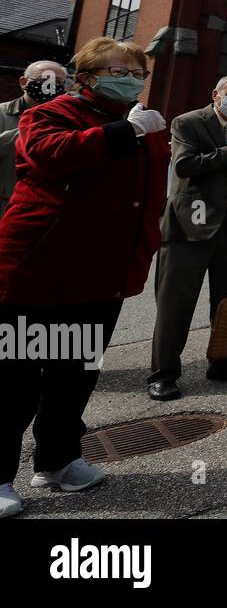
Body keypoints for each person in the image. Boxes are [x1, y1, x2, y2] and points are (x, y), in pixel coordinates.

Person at [0, 38, 169, 517]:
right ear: (88, 76)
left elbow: (149, 196)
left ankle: (57, 461)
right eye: (120, 70)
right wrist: (122, 134)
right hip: (40, 270)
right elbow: (49, 155)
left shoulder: (146, 124)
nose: (132, 80)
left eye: (138, 72)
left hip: (102, 276)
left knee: (74, 375)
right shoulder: (54, 113)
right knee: (16, 382)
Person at [147, 75, 227, 401]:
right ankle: (164, 373)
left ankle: (223, 362)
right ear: (215, 94)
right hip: (190, 223)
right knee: (175, 304)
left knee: (226, 301)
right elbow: (185, 166)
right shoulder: (187, 123)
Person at [0, 60, 68, 217]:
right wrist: (31, 132)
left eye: (58, 82)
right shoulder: (2, 113)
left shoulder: (66, 120)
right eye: (44, 80)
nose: (50, 86)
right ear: (24, 82)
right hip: (5, 204)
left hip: (41, 210)